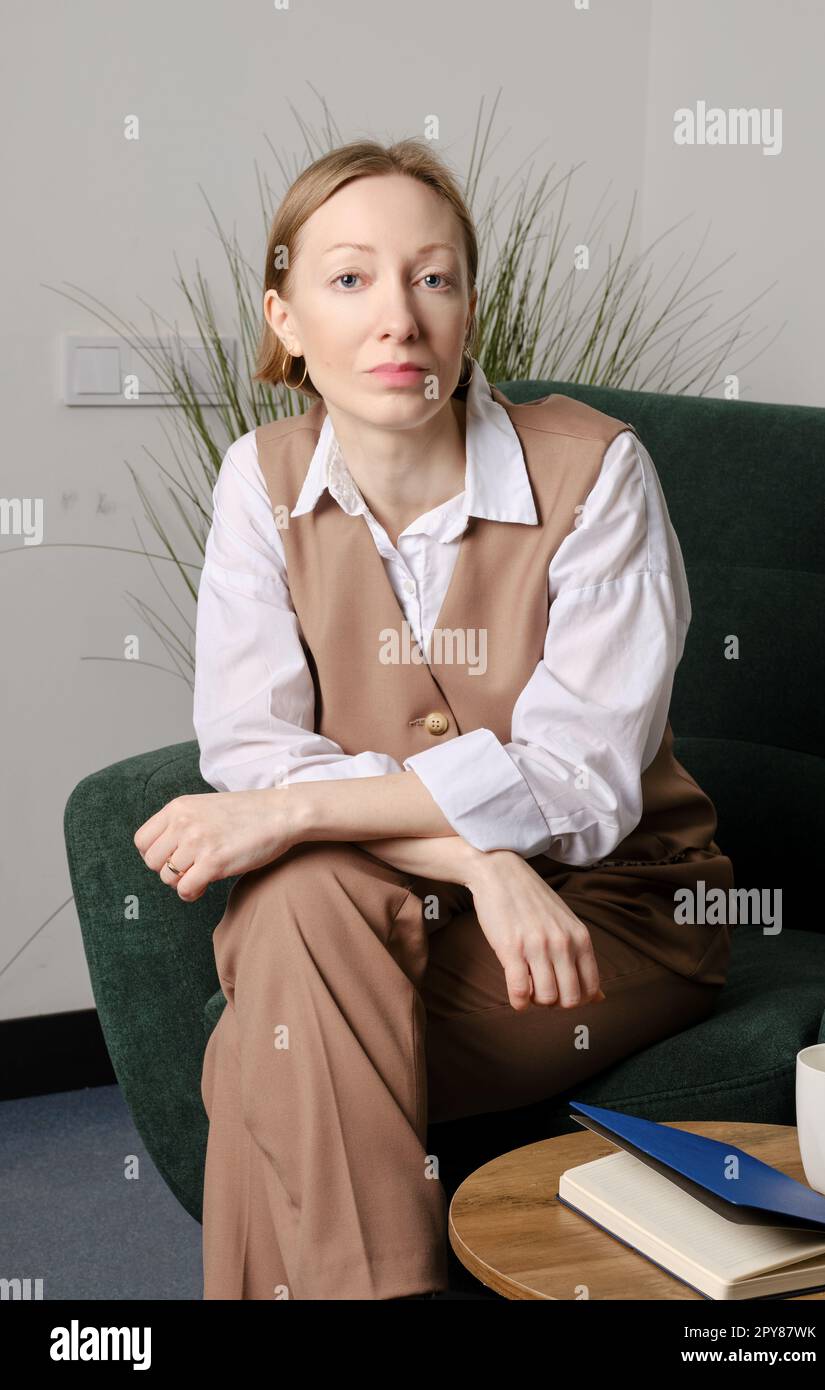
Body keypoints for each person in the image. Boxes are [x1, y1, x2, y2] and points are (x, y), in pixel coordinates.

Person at [132, 138, 734, 1300]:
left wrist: (303, 810)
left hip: (598, 915)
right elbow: (251, 748)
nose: (398, 318)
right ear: (286, 317)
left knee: (258, 1047)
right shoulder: (258, 481)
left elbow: (577, 783)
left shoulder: (596, 471)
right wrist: (471, 859)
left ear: (467, 308)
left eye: (434, 277)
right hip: (389, 901)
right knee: (302, 906)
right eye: (349, 279)